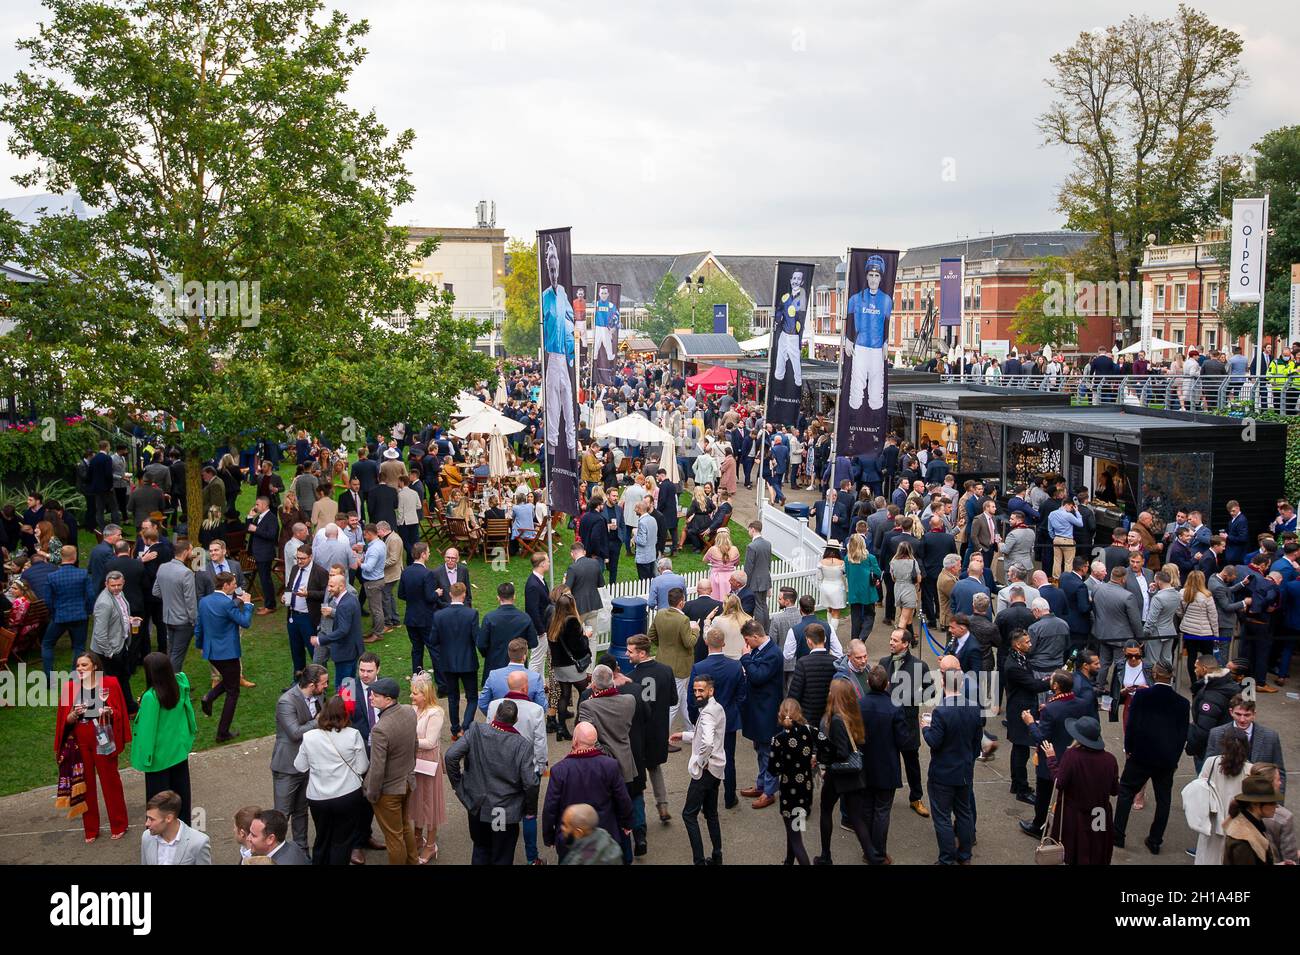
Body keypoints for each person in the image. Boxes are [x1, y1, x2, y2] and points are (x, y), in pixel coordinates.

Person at [445, 698, 541, 865]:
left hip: (477, 805)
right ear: (515, 721)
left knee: (481, 849)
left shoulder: (476, 731)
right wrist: (530, 810)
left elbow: (450, 756)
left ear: (496, 715)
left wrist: (459, 786)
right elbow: (531, 783)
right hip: (503, 811)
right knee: (501, 855)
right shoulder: (522, 745)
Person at [54, 651, 131, 843]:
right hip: (80, 741)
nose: (80, 668)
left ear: (95, 666)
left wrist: (109, 711)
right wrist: (72, 715)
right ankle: (90, 829)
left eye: (84, 665)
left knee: (110, 781)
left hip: (103, 738)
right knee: (84, 784)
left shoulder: (110, 683)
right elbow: (64, 720)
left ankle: (119, 824)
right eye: (78, 665)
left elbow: (120, 711)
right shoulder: (69, 687)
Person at [542, 721, 633, 863]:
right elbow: (622, 798)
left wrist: (549, 836)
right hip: (605, 835)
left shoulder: (560, 771)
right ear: (595, 741)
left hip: (570, 839)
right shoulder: (610, 765)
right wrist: (626, 823)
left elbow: (550, 807)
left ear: (575, 740)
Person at [293, 695, 369, 865]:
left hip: (318, 797)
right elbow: (362, 767)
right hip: (347, 795)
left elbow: (300, 766)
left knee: (322, 837)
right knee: (342, 840)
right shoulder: (353, 735)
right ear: (345, 714)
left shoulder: (309, 737)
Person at [923, 655, 983, 865]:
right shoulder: (974, 709)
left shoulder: (941, 712)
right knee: (964, 814)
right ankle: (965, 856)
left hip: (943, 774)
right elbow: (977, 742)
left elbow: (934, 742)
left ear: (943, 683)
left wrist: (925, 728)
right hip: (965, 771)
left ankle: (947, 858)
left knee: (942, 817)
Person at [1020, 669, 1091, 838]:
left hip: (1051, 759)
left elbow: (1041, 738)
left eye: (1051, 680)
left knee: (1044, 796)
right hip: (1073, 755)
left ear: (1056, 686)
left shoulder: (1051, 709)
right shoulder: (1081, 703)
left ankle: (1039, 825)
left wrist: (1030, 723)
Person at [1041, 715, 1119, 865]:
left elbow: (1060, 782)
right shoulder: (1110, 759)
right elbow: (1115, 790)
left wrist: (1051, 759)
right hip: (1100, 813)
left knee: (1073, 851)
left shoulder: (1072, 756)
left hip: (1074, 814)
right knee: (1096, 848)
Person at [131, 652, 197, 826]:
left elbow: (147, 732)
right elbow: (188, 713)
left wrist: (144, 758)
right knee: (181, 796)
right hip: (178, 752)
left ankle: (159, 833)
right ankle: (183, 829)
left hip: (158, 759)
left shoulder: (150, 698)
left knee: (158, 802)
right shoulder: (179, 684)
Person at [271, 663, 328, 852]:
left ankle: (302, 851)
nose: (326, 686)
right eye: (323, 683)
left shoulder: (318, 696)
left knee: (301, 811)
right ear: (312, 684)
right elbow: (294, 733)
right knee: (281, 815)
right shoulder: (286, 702)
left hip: (307, 764)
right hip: (287, 766)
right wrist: (318, 721)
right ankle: (274, 854)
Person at [362, 676, 419, 865]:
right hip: (407, 783)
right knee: (404, 827)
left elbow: (377, 769)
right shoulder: (409, 712)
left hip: (389, 792)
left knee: (394, 838)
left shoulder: (380, 729)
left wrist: (371, 794)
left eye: (375, 695)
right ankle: (413, 861)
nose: (371, 698)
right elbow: (415, 744)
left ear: (388, 700)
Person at [688, 627, 747, 808]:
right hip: (727, 719)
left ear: (706, 643)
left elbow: (692, 698)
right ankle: (730, 797)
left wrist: (693, 718)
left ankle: (707, 797)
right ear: (723, 644)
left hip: (706, 719)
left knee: (705, 757)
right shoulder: (735, 666)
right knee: (728, 757)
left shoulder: (699, 667)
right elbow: (742, 695)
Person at [671, 674, 726, 865]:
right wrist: (685, 735)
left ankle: (699, 861)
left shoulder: (708, 713)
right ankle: (717, 856)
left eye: (701, 690)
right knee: (711, 813)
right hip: (717, 769)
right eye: (695, 690)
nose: (697, 694)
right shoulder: (716, 707)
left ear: (711, 690)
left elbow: (708, 742)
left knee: (689, 814)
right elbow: (705, 735)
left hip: (706, 770)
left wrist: (700, 763)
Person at [195, 571, 254, 742]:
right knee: (233, 690)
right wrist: (248, 604)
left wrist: (200, 646)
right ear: (226, 585)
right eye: (234, 583)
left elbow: (199, 626)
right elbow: (245, 622)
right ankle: (222, 732)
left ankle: (209, 697)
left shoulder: (204, 601)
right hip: (227, 653)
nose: (236, 586)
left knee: (230, 680)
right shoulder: (227, 604)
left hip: (212, 652)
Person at [625, 634, 676, 828]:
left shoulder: (631, 679)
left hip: (637, 734)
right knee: (655, 768)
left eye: (630, 651)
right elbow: (673, 700)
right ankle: (662, 805)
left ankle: (638, 814)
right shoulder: (666, 671)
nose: (626, 654)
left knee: (635, 775)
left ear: (642, 653)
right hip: (658, 731)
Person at [738, 620, 782, 810]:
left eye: (748, 640)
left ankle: (769, 792)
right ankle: (761, 784)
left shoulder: (773, 653)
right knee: (760, 749)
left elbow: (757, 676)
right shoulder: (760, 649)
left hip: (768, 711)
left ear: (756, 636)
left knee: (768, 752)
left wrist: (745, 659)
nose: (746, 644)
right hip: (758, 709)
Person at [1193, 729, 1252, 864]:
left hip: (1213, 821)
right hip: (1237, 823)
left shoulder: (1211, 762)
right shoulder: (1250, 769)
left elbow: (1200, 787)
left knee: (1208, 856)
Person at [431, 582, 479, 738]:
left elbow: (433, 640)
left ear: (450, 595)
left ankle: (455, 729)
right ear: (464, 595)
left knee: (453, 697)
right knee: (472, 697)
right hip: (468, 662)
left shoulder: (439, 615)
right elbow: (476, 638)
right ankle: (466, 726)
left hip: (448, 662)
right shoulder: (471, 614)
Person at [407, 671, 446, 864]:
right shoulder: (412, 709)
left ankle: (431, 845)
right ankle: (416, 836)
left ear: (425, 694)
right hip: (413, 761)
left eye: (415, 693)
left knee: (429, 803)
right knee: (415, 799)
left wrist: (406, 740)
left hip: (429, 762)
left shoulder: (436, 712)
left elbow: (430, 742)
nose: (411, 696)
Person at [845, 253, 890, 411]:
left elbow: (887, 323)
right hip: (861, 347)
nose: (873, 279)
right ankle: (854, 411)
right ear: (866, 276)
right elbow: (849, 320)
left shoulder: (886, 300)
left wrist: (886, 342)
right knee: (857, 382)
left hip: (877, 349)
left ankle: (876, 411)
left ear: (880, 278)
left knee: (877, 387)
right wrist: (848, 339)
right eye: (870, 275)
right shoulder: (855, 299)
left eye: (876, 275)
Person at [547, 593, 591, 741]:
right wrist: (585, 637)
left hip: (559, 666)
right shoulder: (572, 622)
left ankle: (561, 728)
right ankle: (580, 723)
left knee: (564, 695)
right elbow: (578, 647)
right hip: (572, 665)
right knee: (584, 692)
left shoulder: (553, 621)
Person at [1222, 774, 1284, 865]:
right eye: (1271, 802)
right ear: (1255, 804)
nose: (1276, 806)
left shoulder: (1252, 823)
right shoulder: (1243, 839)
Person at [140, 790, 212, 865]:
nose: (147, 823)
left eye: (152, 819)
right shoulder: (146, 837)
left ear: (169, 818)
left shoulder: (198, 843)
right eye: (147, 818)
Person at [788, 622, 837, 729]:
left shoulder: (802, 663)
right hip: (829, 716)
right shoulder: (834, 662)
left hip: (808, 718)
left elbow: (794, 694)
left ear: (809, 641)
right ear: (824, 639)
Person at [556, 803, 624, 865]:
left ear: (579, 832)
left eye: (565, 825)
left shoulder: (578, 860)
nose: (562, 828)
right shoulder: (605, 838)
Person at [845, 533, 881, 643]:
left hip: (854, 591)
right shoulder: (870, 558)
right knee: (870, 615)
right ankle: (862, 637)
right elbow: (878, 572)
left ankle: (854, 640)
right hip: (868, 591)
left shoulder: (847, 559)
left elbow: (847, 573)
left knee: (855, 617)